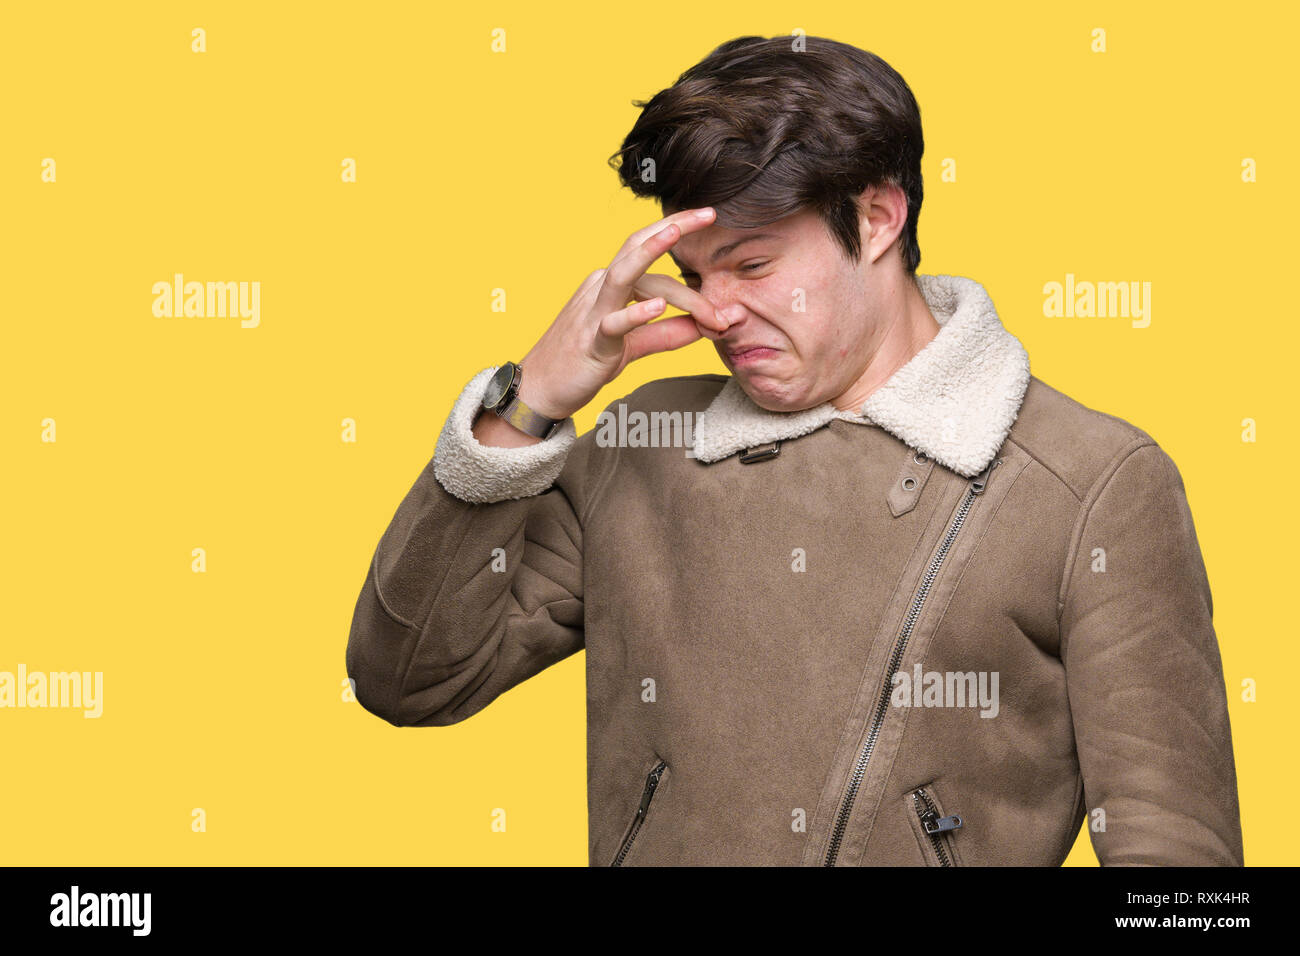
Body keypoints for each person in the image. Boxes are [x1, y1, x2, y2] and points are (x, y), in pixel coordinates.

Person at [345, 35, 1243, 866]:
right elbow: (410, 679)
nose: (715, 313)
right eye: (695, 277)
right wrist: (530, 404)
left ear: (881, 218)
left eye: (753, 266)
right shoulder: (643, 444)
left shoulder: (1090, 483)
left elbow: (1176, 863)